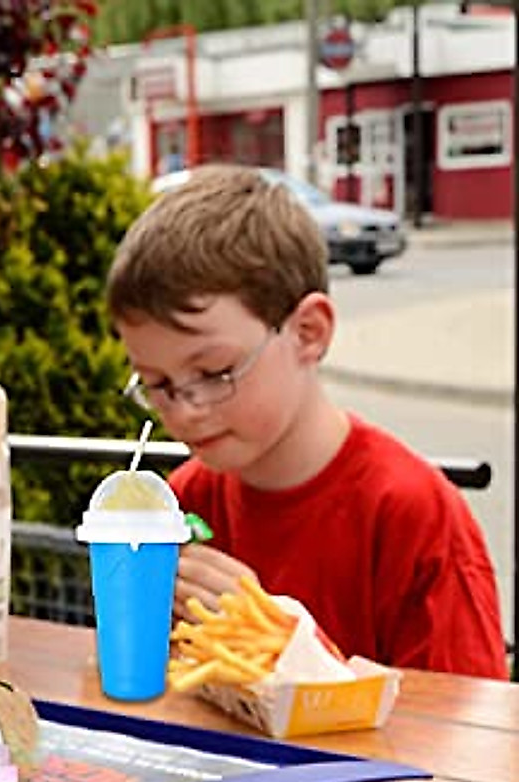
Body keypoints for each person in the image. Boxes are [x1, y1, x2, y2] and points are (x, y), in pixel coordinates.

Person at [106, 164, 507, 680]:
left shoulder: (414, 516)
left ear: (308, 333)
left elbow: (468, 738)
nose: (184, 409)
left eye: (213, 372)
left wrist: (281, 647)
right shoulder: (184, 501)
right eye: (157, 384)